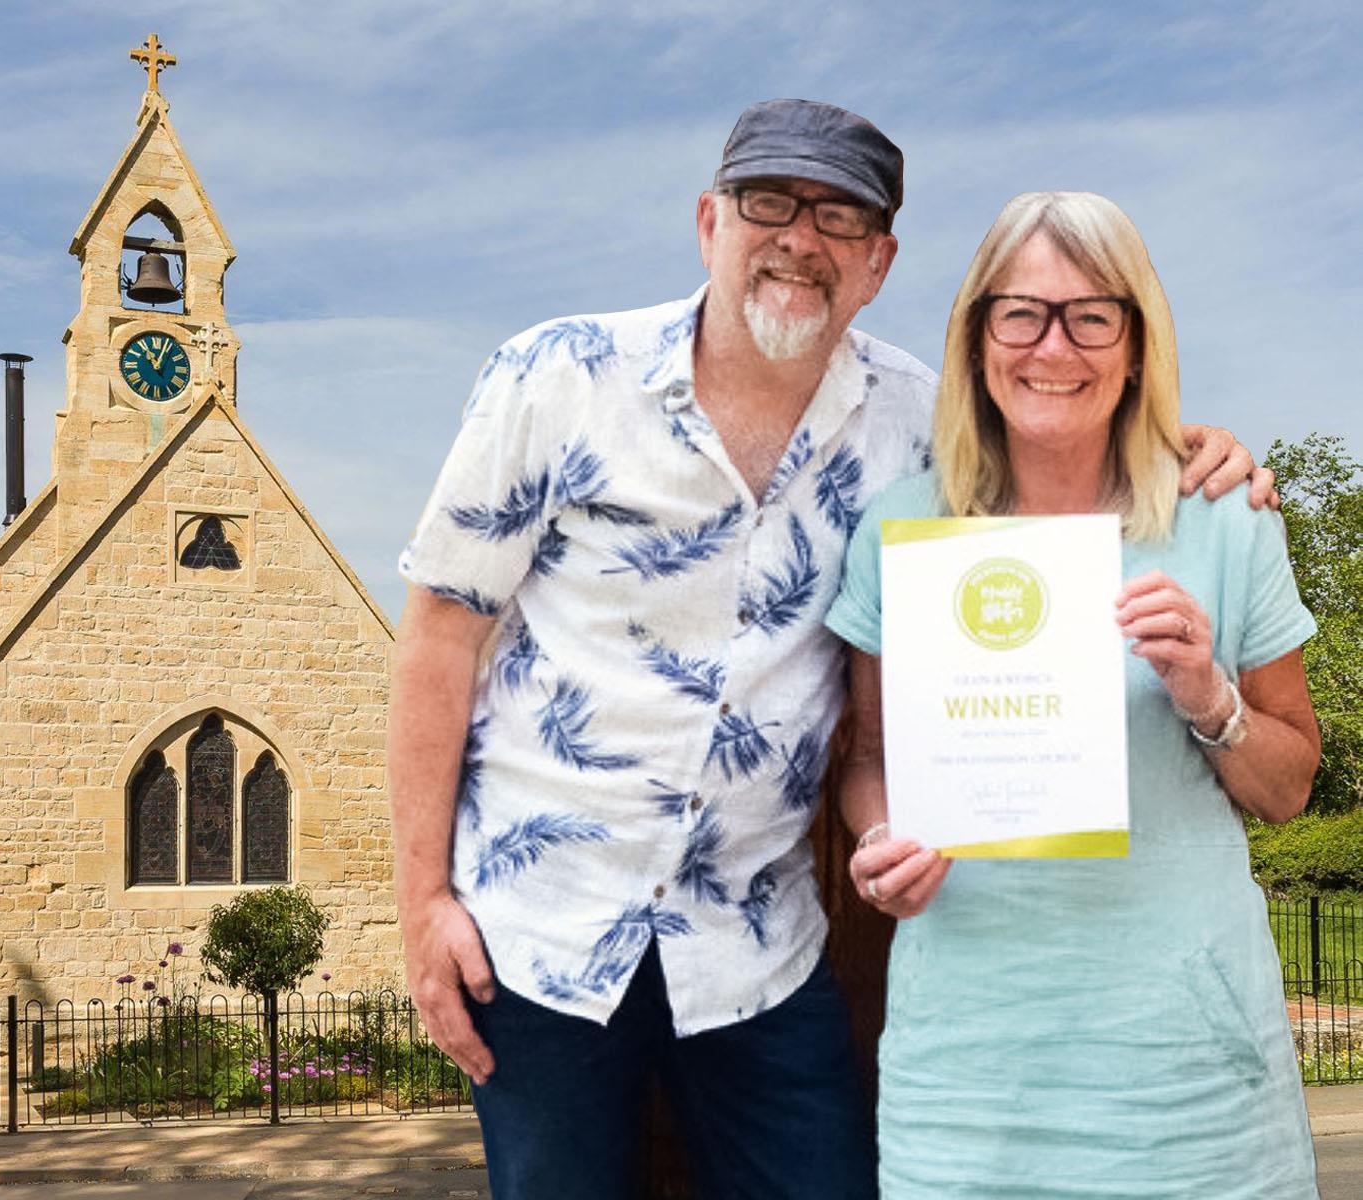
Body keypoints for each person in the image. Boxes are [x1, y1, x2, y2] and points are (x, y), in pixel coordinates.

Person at [389, 100, 1272, 1200]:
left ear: (880, 262)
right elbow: (437, 638)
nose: (802, 239)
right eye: (770, 203)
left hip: (758, 949)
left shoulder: (914, 420)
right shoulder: (553, 377)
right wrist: (421, 902)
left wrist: (1193, 444)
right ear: (710, 219)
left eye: (841, 218)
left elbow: (1065, 413)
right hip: (541, 936)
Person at [826, 190, 1320, 1198]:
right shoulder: (901, 527)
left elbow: (1290, 786)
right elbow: (870, 757)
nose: (1054, 345)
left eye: (1093, 314)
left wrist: (1209, 695)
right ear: (977, 337)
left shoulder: (1223, 519)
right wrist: (879, 842)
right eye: (1021, 312)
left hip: (1186, 1061)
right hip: (971, 1060)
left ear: (1137, 343)